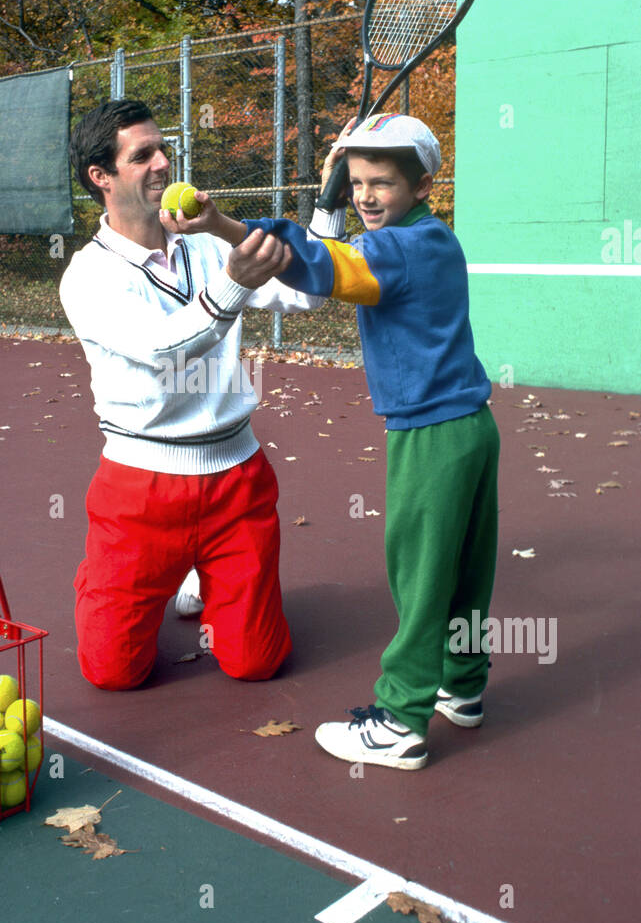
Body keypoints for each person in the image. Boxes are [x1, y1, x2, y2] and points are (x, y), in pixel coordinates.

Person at [170, 113, 500, 769]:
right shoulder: (435, 238)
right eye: (355, 183)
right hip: (470, 429)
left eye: (381, 182)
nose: (366, 195)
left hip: (430, 437)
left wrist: (216, 225)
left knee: (418, 575)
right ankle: (461, 686)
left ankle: (400, 721)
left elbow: (315, 268)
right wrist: (324, 196)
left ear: (424, 183)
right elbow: (325, 257)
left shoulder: (397, 251)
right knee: (464, 569)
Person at [58, 98, 325, 690]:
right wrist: (234, 283)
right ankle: (116, 580)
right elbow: (166, 352)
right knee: (113, 674)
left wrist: (329, 199)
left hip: (237, 477)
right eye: (142, 154)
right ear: (100, 177)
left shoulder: (206, 244)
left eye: (163, 149)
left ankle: (204, 576)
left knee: (256, 663)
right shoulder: (88, 275)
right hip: (139, 491)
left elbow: (305, 293)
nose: (162, 163)